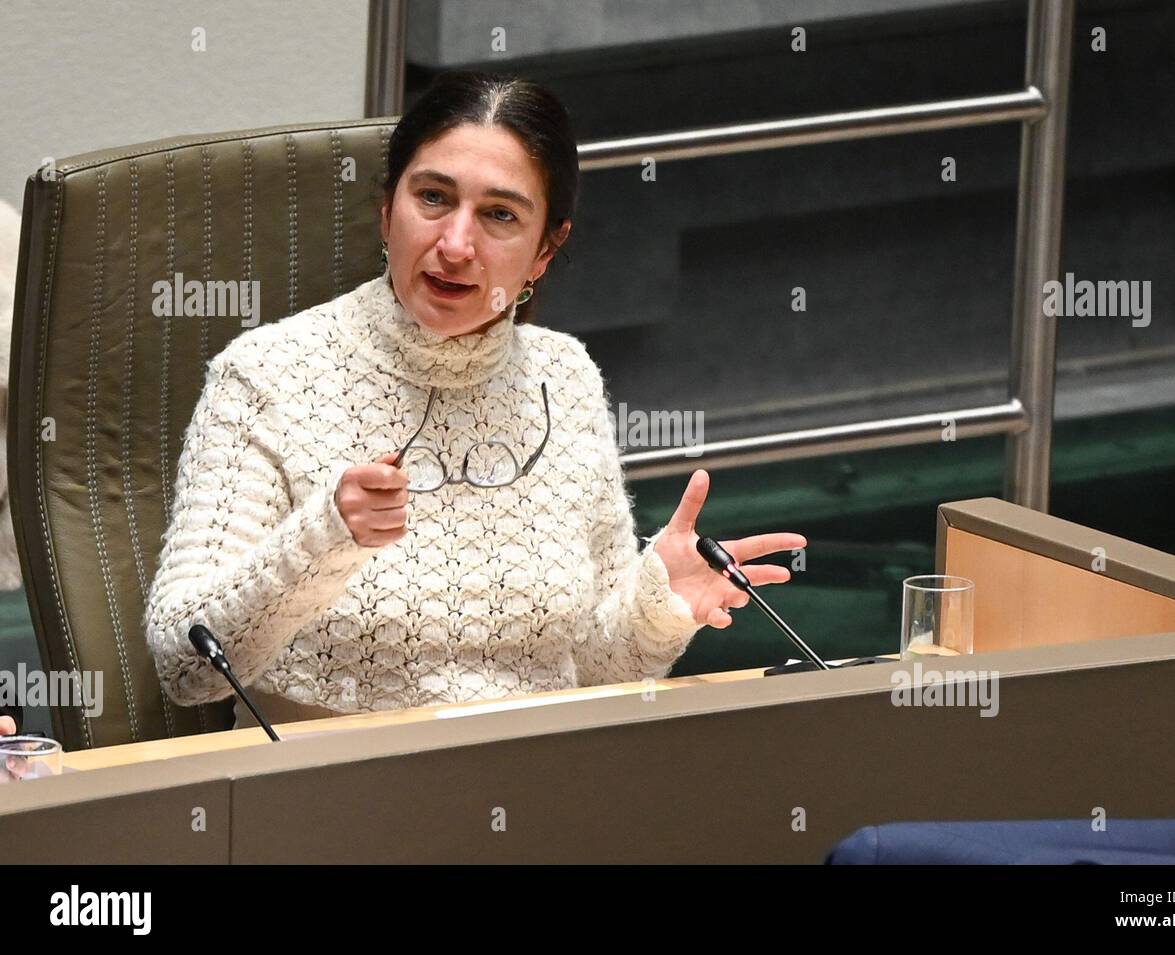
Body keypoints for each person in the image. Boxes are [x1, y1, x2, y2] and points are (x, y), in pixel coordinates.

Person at [145, 70, 806, 728]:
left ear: (546, 249)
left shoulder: (564, 376)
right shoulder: (266, 376)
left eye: (499, 214)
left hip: (536, 787)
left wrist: (659, 607)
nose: (456, 245)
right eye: (433, 197)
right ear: (386, 209)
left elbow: (597, 671)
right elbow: (185, 664)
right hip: (333, 794)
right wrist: (326, 536)